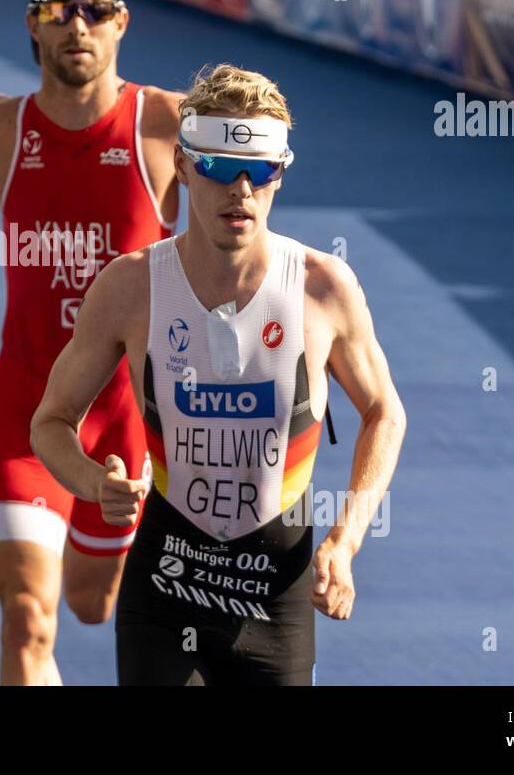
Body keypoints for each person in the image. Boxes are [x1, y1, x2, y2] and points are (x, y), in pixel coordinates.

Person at [30, 64, 406, 685]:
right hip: (166, 584)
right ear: (181, 165)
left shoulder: (321, 289)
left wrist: (348, 536)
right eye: (217, 169)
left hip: (275, 600)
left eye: (259, 172)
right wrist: (94, 483)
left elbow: (385, 412)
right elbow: (50, 422)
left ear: (279, 173)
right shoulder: (130, 288)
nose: (240, 190)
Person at [0, 0, 183, 685]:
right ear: (33, 27)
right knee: (28, 622)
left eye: (94, 11)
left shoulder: (162, 126)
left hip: (130, 423)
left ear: (121, 24)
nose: (76, 26)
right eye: (56, 11)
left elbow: (242, 198)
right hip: (25, 414)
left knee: (92, 606)